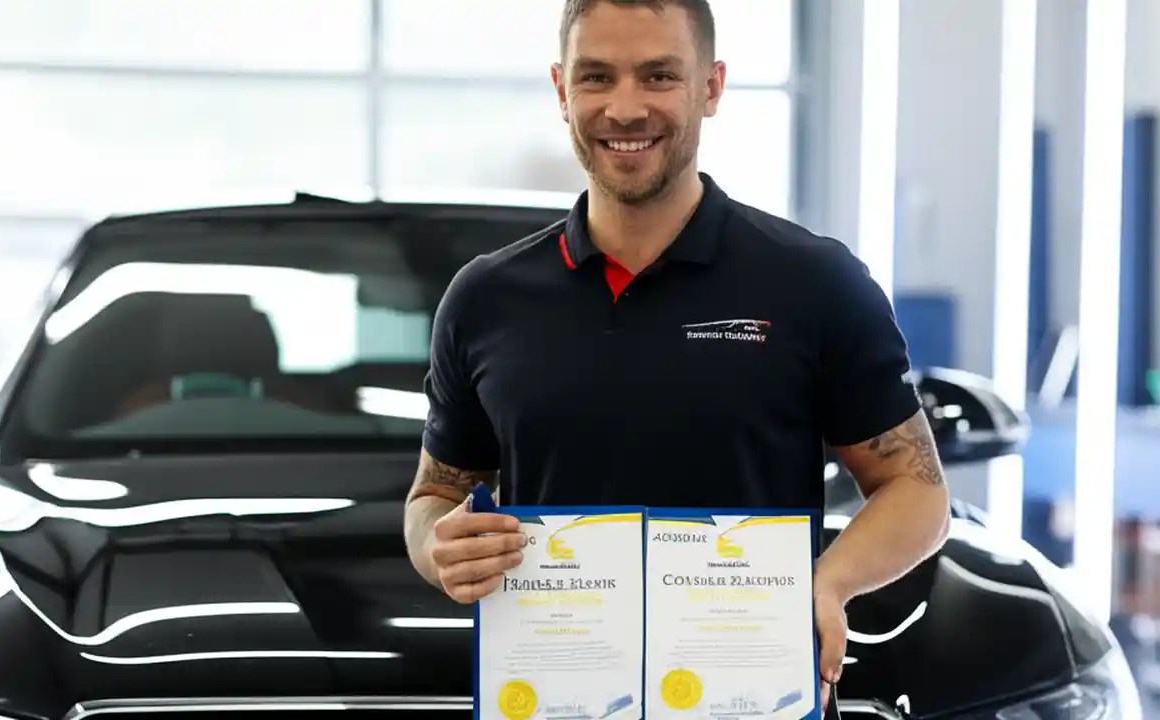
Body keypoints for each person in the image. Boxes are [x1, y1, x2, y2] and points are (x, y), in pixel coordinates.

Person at [402, 0, 951, 709]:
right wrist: (437, 546)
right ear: (562, 90)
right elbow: (433, 496)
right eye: (596, 78)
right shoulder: (485, 299)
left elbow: (918, 491)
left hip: (753, 694)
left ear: (711, 88)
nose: (625, 109)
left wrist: (825, 583)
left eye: (658, 76)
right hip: (556, 693)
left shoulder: (814, 282)